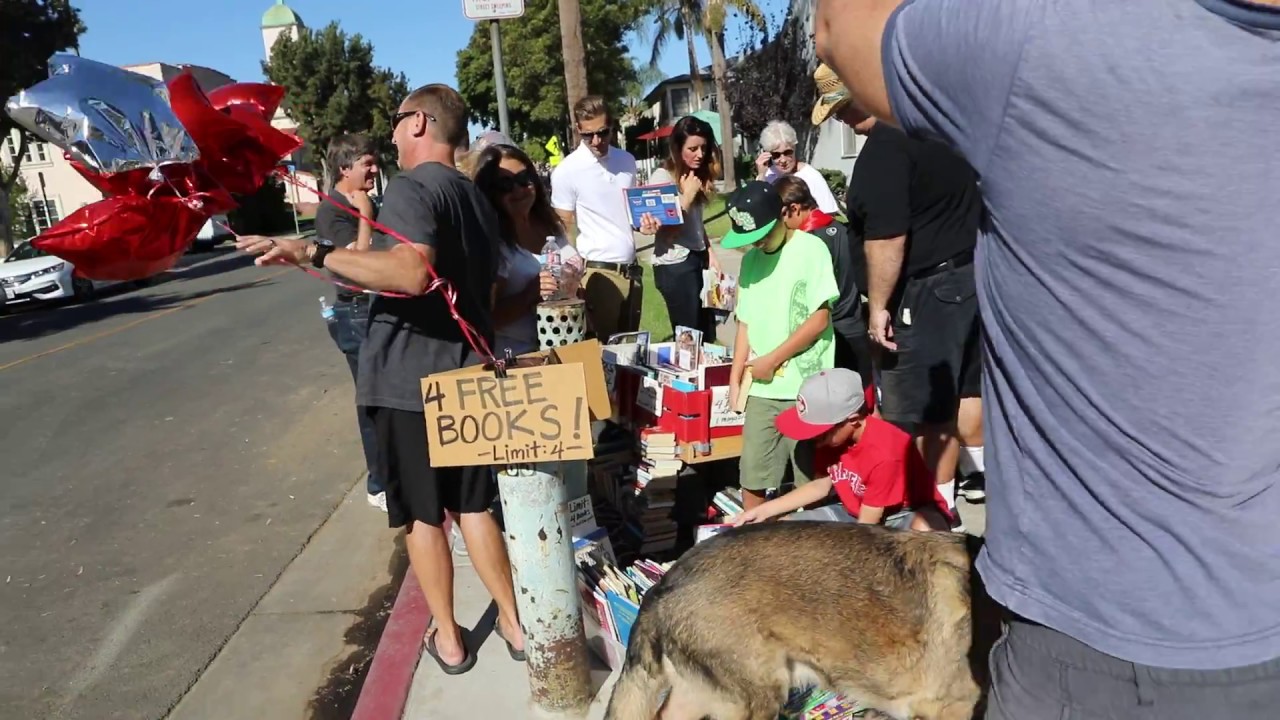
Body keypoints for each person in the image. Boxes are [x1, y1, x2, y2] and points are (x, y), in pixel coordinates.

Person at [817, 1, 1280, 717]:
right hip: (1241, 609)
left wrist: (879, 307)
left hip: (1104, 641)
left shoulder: (1047, 41)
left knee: (921, 415)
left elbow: (842, 30)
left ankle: (928, 514)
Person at [235, 84, 524, 674]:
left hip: (409, 383)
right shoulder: (472, 197)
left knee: (424, 515)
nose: (390, 135)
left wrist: (310, 254)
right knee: (474, 508)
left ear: (419, 123)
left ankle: (447, 638)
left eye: (395, 122)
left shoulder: (414, 189)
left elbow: (410, 272)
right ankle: (517, 628)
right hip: (465, 376)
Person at [839, 102, 982, 523]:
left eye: (842, 109)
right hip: (967, 274)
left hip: (924, 289)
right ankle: (977, 478)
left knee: (926, 408)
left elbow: (886, 237)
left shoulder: (886, 148)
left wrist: (879, 307)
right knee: (967, 389)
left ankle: (937, 508)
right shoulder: (937, 127)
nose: (839, 119)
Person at [724, 181, 839, 511]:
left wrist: (773, 360)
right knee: (753, 475)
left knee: (809, 479)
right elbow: (744, 323)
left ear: (781, 216)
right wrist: (735, 379)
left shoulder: (811, 249)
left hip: (806, 387)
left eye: (760, 234)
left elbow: (819, 320)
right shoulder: (750, 263)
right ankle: (755, 549)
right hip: (761, 387)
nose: (757, 243)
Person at [730, 369, 950, 531]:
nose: (814, 438)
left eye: (820, 431)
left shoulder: (886, 453)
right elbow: (821, 485)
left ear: (852, 420)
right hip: (851, 510)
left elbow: (867, 527)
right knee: (786, 530)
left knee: (924, 531)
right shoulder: (832, 440)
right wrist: (764, 510)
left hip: (901, 515)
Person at [314, 133, 385, 511]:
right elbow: (354, 264)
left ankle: (393, 472)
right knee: (372, 398)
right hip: (356, 311)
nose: (374, 170)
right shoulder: (332, 211)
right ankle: (379, 483)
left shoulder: (359, 202)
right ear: (345, 169)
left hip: (375, 307)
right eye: (367, 164)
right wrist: (366, 217)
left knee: (387, 393)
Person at [471, 142, 582, 356]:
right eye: (505, 184)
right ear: (489, 192)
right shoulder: (495, 244)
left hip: (567, 345)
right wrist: (530, 294)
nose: (518, 189)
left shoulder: (549, 223)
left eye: (524, 179)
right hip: (521, 360)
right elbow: (486, 320)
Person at [551, 95, 642, 342]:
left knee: (631, 355)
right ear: (578, 129)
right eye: (588, 135)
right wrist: (569, 281)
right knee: (603, 355)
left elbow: (631, 215)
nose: (596, 140)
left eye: (603, 132)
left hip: (632, 273)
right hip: (597, 274)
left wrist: (645, 222)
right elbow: (563, 228)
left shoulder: (627, 161)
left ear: (612, 126)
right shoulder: (567, 171)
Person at [774, 175, 872, 388]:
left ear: (795, 208)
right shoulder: (845, 230)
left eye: (781, 216)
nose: (780, 225)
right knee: (862, 407)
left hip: (825, 340)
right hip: (855, 331)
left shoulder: (806, 244)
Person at [637, 115, 722, 341]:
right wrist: (687, 197)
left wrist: (710, 253)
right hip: (675, 264)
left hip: (697, 259)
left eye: (703, 148)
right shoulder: (662, 178)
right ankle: (685, 377)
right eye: (692, 148)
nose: (700, 154)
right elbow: (666, 231)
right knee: (689, 338)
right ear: (677, 148)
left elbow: (696, 223)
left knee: (707, 334)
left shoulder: (693, 176)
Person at [753, 120, 840, 215]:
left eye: (787, 153)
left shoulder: (811, 176)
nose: (783, 160)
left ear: (795, 148)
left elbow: (829, 213)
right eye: (776, 155)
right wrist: (761, 175)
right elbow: (757, 209)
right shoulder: (768, 175)